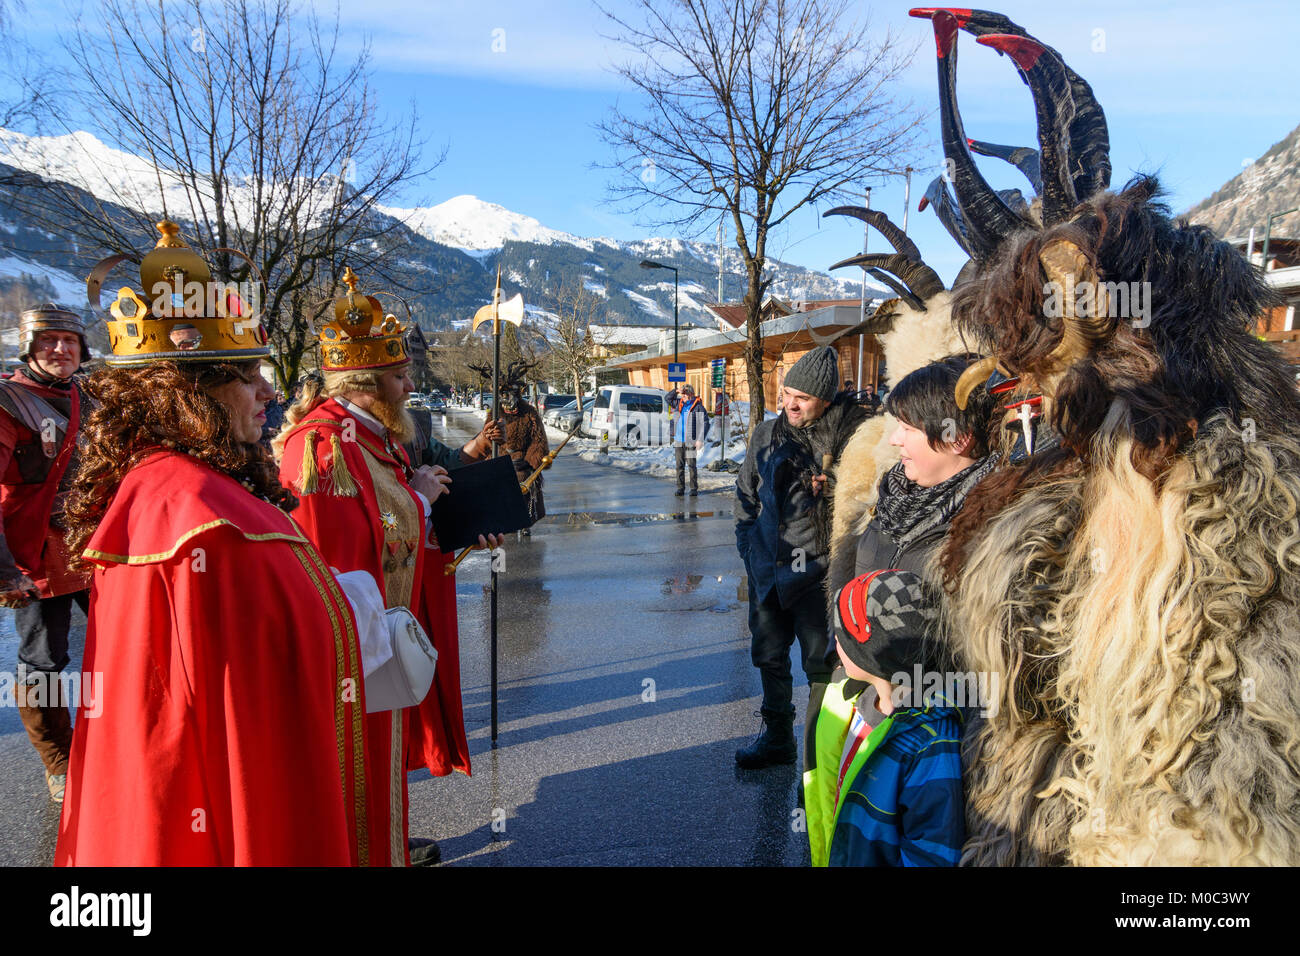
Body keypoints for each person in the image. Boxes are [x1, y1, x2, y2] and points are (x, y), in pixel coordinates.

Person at [57, 221, 366, 865]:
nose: (268, 391)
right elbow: (243, 693)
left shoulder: (165, 488)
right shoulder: (201, 513)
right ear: (187, 391)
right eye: (244, 374)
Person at [276, 267, 502, 866]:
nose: (409, 387)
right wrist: (421, 499)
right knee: (354, 756)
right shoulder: (323, 447)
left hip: (381, 629)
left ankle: (385, 842)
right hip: (352, 643)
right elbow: (337, 556)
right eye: (400, 377)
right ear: (367, 384)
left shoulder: (380, 437)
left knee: (383, 756)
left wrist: (454, 531)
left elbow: (398, 532)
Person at [823, 355, 997, 718]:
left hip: (927, 725)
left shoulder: (987, 529)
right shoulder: (893, 495)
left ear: (957, 438)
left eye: (908, 427)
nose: (895, 438)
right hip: (861, 702)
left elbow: (979, 659)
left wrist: (899, 691)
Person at [733, 346, 867, 768]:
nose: (790, 403)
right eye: (787, 392)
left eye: (802, 398)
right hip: (768, 570)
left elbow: (863, 506)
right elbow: (744, 496)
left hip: (817, 576)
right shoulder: (765, 435)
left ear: (824, 401)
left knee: (820, 669)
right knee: (769, 656)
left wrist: (833, 490)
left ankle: (815, 761)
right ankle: (778, 741)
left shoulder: (850, 442)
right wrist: (749, 548)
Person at [804, 569, 964, 866]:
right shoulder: (852, 703)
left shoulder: (931, 745)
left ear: (873, 653)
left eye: (842, 634)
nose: (834, 643)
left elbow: (932, 852)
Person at [1, 304, 93, 804]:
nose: (60, 350)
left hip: (98, 547)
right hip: (36, 553)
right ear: (29, 346)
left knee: (125, 644)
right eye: (47, 340)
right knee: (43, 663)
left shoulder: (92, 396)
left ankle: (116, 742)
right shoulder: (7, 402)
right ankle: (59, 759)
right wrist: (3, 570)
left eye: (69, 341)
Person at [492, 362, 548, 531]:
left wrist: (530, 463)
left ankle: (525, 523)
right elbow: (488, 442)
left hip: (524, 462)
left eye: (510, 394)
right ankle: (506, 522)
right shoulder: (495, 413)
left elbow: (539, 441)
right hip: (503, 462)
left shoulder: (529, 413)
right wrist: (496, 462)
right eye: (504, 395)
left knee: (524, 482)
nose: (507, 399)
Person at [671, 383, 709, 496]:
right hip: (678, 440)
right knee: (679, 466)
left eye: (686, 393)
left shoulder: (698, 406)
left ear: (691, 394)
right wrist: (677, 390)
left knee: (691, 465)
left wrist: (700, 439)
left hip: (690, 441)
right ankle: (680, 488)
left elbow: (705, 423)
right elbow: (667, 398)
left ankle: (693, 489)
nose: (684, 396)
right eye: (683, 394)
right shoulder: (680, 404)